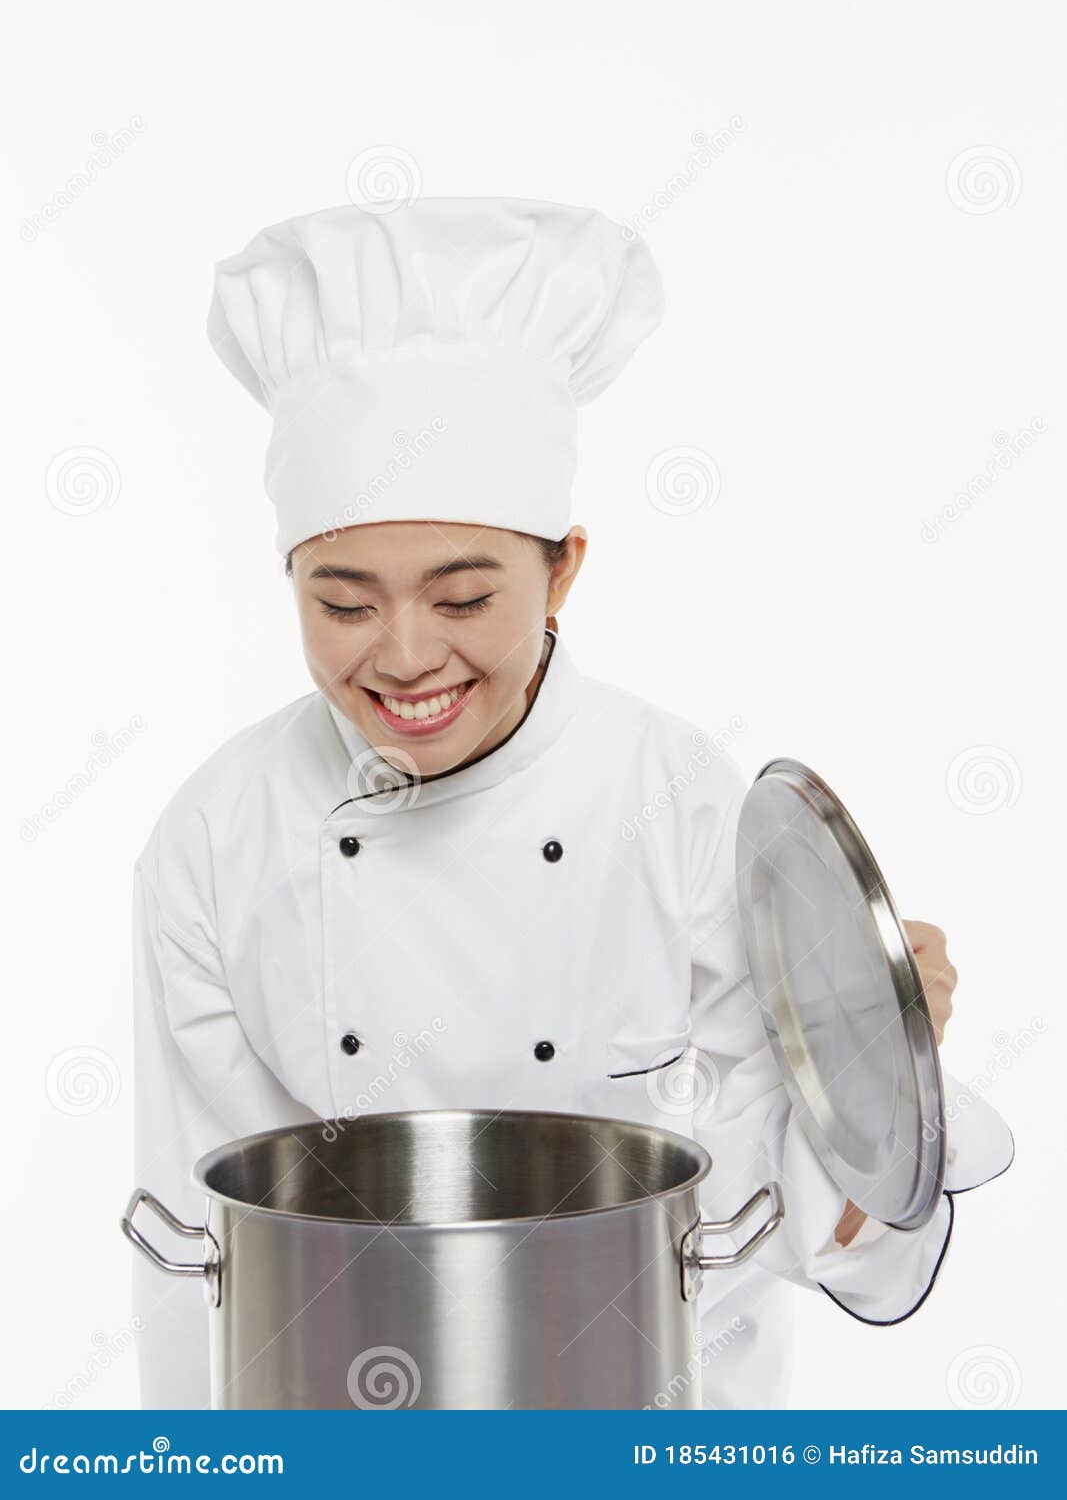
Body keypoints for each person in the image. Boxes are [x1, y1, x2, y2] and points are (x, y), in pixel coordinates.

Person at [130, 198, 1012, 1409]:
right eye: (341, 604)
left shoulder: (678, 803)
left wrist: (875, 1056)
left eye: (459, 598)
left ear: (563, 568)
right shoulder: (220, 834)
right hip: (344, 1432)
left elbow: (798, 1217)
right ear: (287, 581)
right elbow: (204, 1246)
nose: (400, 656)